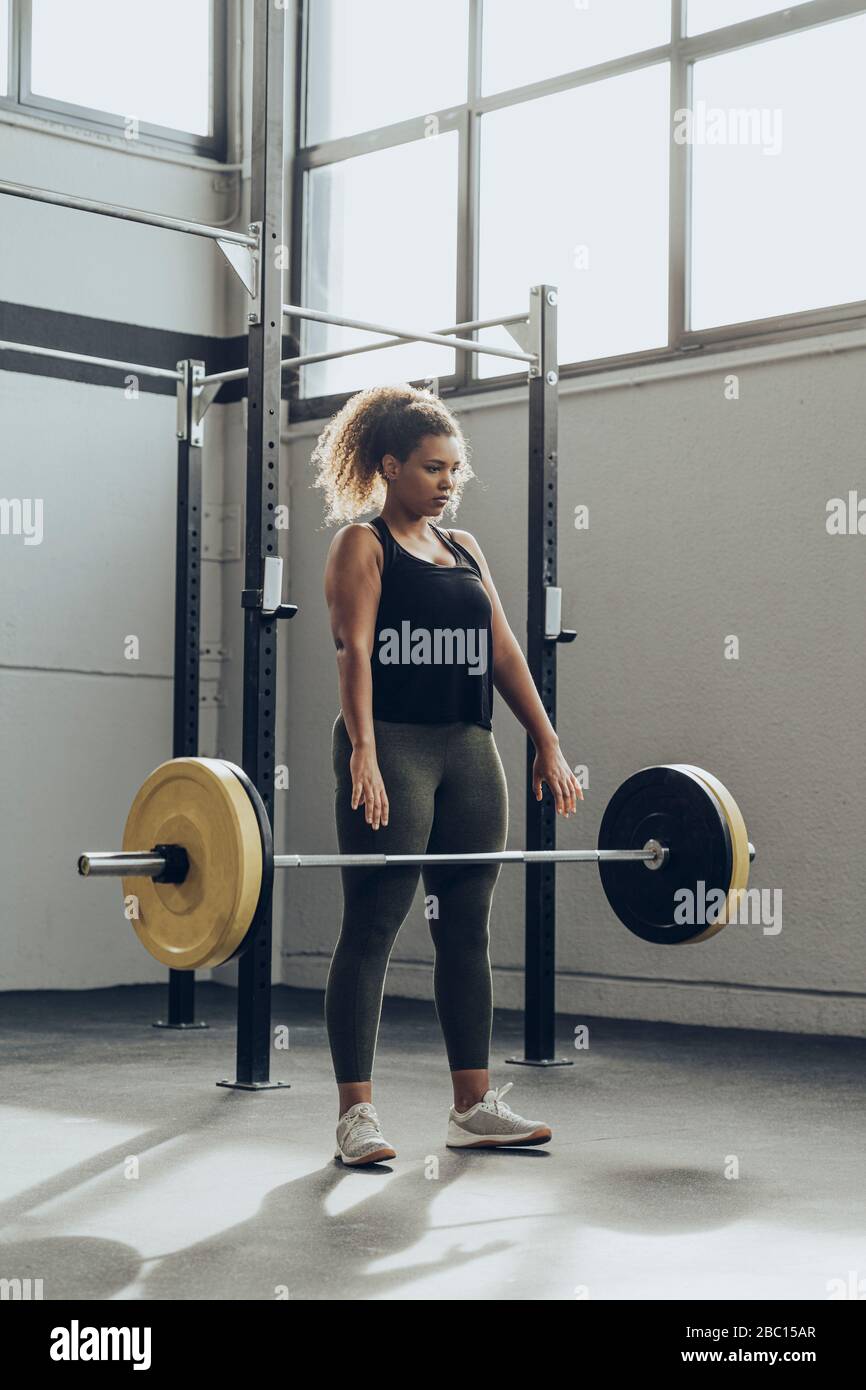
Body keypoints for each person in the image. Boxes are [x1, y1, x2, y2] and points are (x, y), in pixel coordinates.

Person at [313, 383, 583, 1165]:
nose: (447, 482)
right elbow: (353, 650)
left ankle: (472, 1106)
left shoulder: (464, 551)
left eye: (455, 470)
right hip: (393, 745)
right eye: (433, 468)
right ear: (388, 466)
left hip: (469, 749)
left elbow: (501, 649)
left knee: (464, 925)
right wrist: (362, 750)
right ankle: (355, 1117)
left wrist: (546, 740)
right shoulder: (362, 546)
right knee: (375, 921)